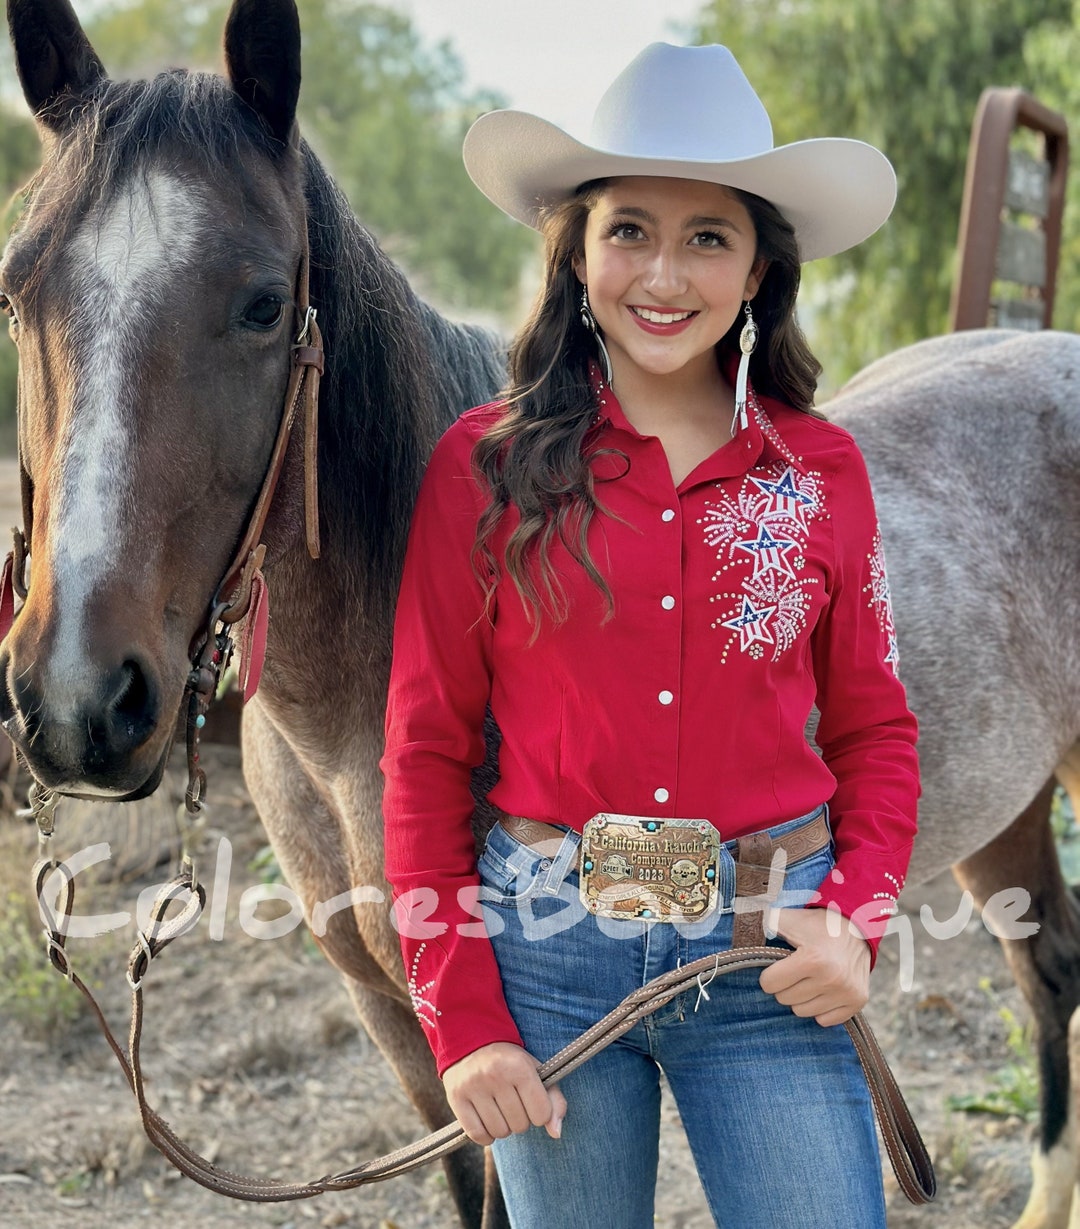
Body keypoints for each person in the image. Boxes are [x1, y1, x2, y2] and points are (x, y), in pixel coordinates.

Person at [380, 42, 918, 1229]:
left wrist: (859, 916)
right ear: (575, 252)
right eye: (629, 229)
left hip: (765, 960)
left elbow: (877, 726)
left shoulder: (821, 474)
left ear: (759, 272)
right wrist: (465, 1025)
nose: (662, 273)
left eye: (707, 237)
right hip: (547, 956)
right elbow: (421, 753)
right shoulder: (487, 468)